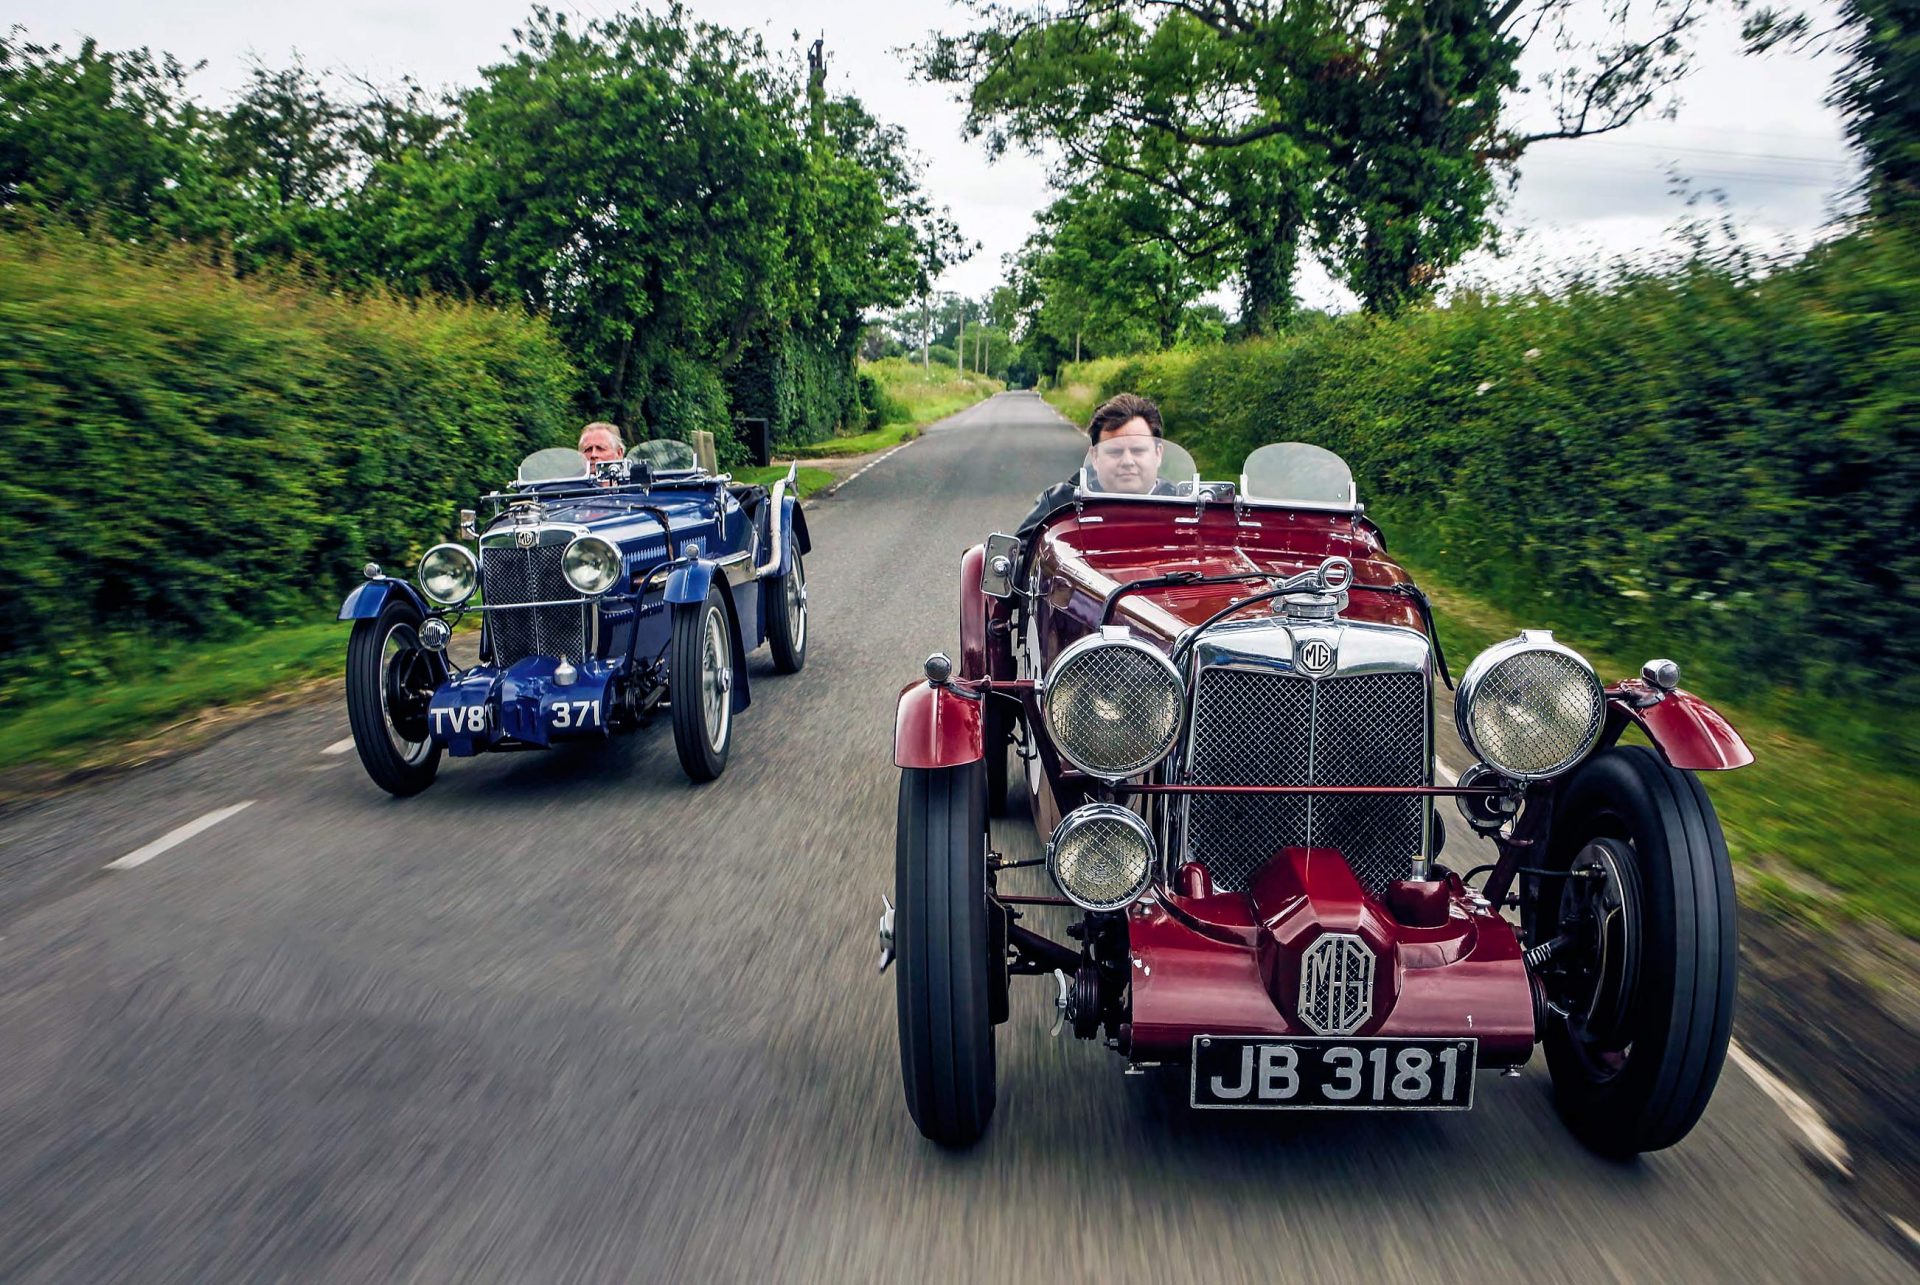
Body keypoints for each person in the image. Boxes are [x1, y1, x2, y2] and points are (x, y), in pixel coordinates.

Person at [1017, 392, 1174, 536]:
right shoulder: (1059, 504)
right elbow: (1020, 556)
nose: (1127, 462)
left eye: (1138, 451)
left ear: (1158, 453)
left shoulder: (1184, 507)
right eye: (1115, 452)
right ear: (1095, 456)